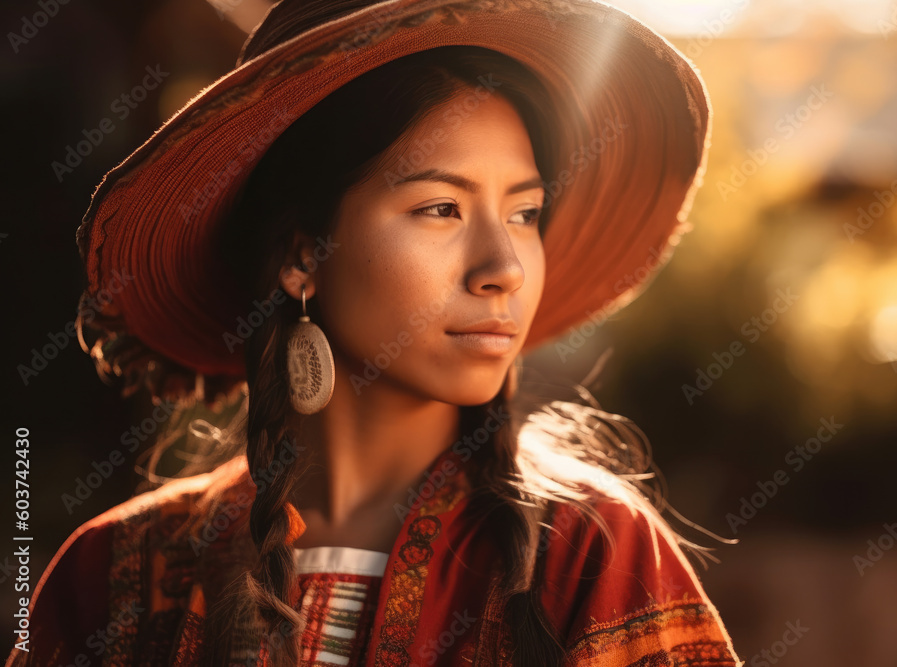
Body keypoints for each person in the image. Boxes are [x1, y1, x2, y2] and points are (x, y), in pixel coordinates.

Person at [7, 0, 743, 665]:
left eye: (524, 213)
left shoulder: (597, 557)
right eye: (441, 209)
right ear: (303, 256)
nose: (503, 267)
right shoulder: (112, 573)